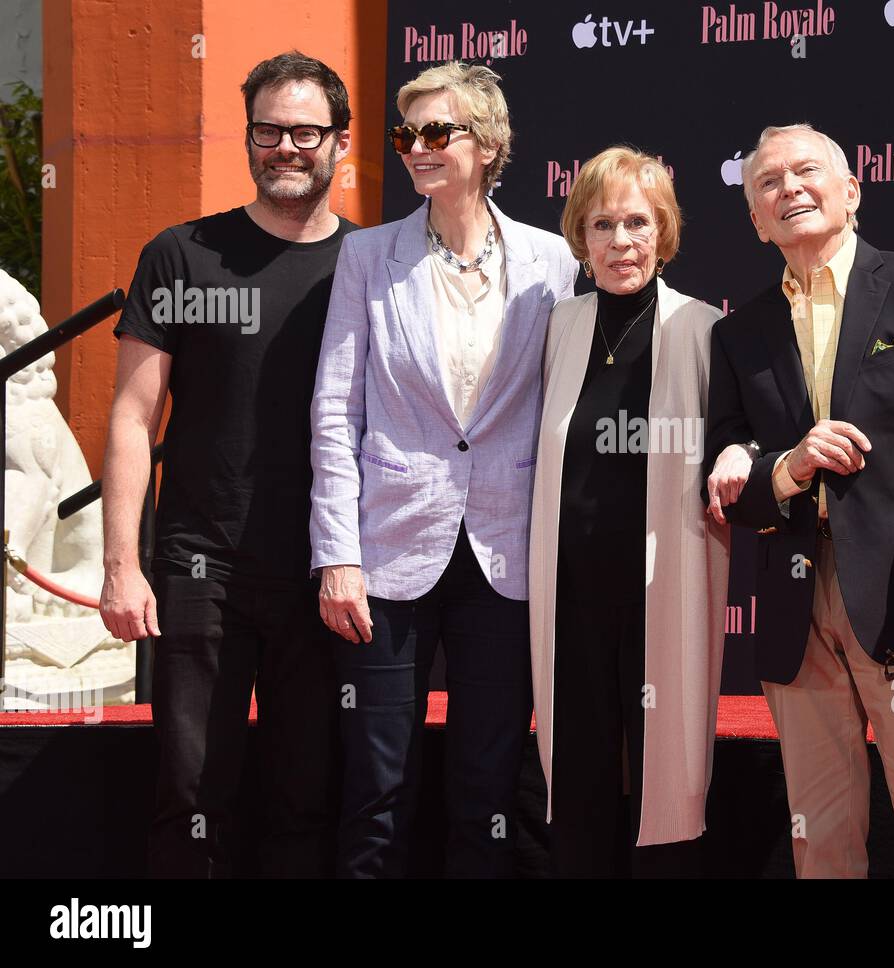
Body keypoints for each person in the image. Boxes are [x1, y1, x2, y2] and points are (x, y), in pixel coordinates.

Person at [310, 61, 577, 878]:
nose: (417, 149)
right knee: (376, 785)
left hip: (508, 550)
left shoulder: (554, 260)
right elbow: (334, 412)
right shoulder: (367, 257)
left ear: (487, 143)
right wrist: (337, 555)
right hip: (386, 554)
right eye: (406, 135)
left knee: (488, 785)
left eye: (437, 132)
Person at [100, 51, 357, 877]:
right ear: (248, 138)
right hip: (196, 568)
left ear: (341, 144)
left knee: (306, 797)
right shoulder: (180, 255)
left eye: (306, 131)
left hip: (326, 571)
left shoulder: (375, 267)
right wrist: (120, 567)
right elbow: (134, 418)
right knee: (191, 793)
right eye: (268, 130)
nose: (286, 146)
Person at [704, 123, 894, 878]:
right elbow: (729, 486)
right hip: (794, 616)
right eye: (768, 183)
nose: (789, 188)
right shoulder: (738, 334)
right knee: (819, 839)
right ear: (755, 220)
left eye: (806, 171)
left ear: (852, 190)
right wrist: (787, 470)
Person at [528, 148, 730, 877]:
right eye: (603, 223)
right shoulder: (555, 328)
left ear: (665, 232)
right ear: (580, 238)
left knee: (666, 770)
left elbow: (737, 447)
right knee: (577, 777)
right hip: (570, 592)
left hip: (664, 590)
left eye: (638, 222)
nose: (621, 241)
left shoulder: (706, 331)